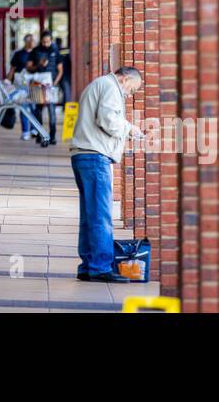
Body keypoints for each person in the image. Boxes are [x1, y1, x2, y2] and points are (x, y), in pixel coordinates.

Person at [72, 66, 143, 283]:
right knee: (101, 215)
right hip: (95, 157)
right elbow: (109, 121)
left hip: (83, 155)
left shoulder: (99, 85)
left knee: (90, 215)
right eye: (131, 90)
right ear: (124, 78)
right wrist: (130, 129)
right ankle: (101, 267)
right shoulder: (110, 87)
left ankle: (88, 265)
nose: (128, 95)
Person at [28, 31, 61, 145]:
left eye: (48, 41)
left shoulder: (55, 51)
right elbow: (29, 68)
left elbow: (60, 70)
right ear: (41, 41)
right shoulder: (35, 51)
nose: (46, 44)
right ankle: (40, 135)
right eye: (44, 42)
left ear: (51, 40)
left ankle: (52, 136)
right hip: (38, 84)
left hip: (51, 85)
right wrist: (39, 65)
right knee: (38, 111)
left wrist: (54, 83)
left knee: (52, 111)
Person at [7, 34, 37, 140]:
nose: (33, 42)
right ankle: (25, 131)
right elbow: (12, 69)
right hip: (21, 84)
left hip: (34, 84)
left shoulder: (36, 53)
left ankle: (34, 129)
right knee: (23, 107)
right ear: (26, 42)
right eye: (32, 40)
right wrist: (8, 81)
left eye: (34, 40)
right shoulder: (19, 54)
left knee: (34, 107)